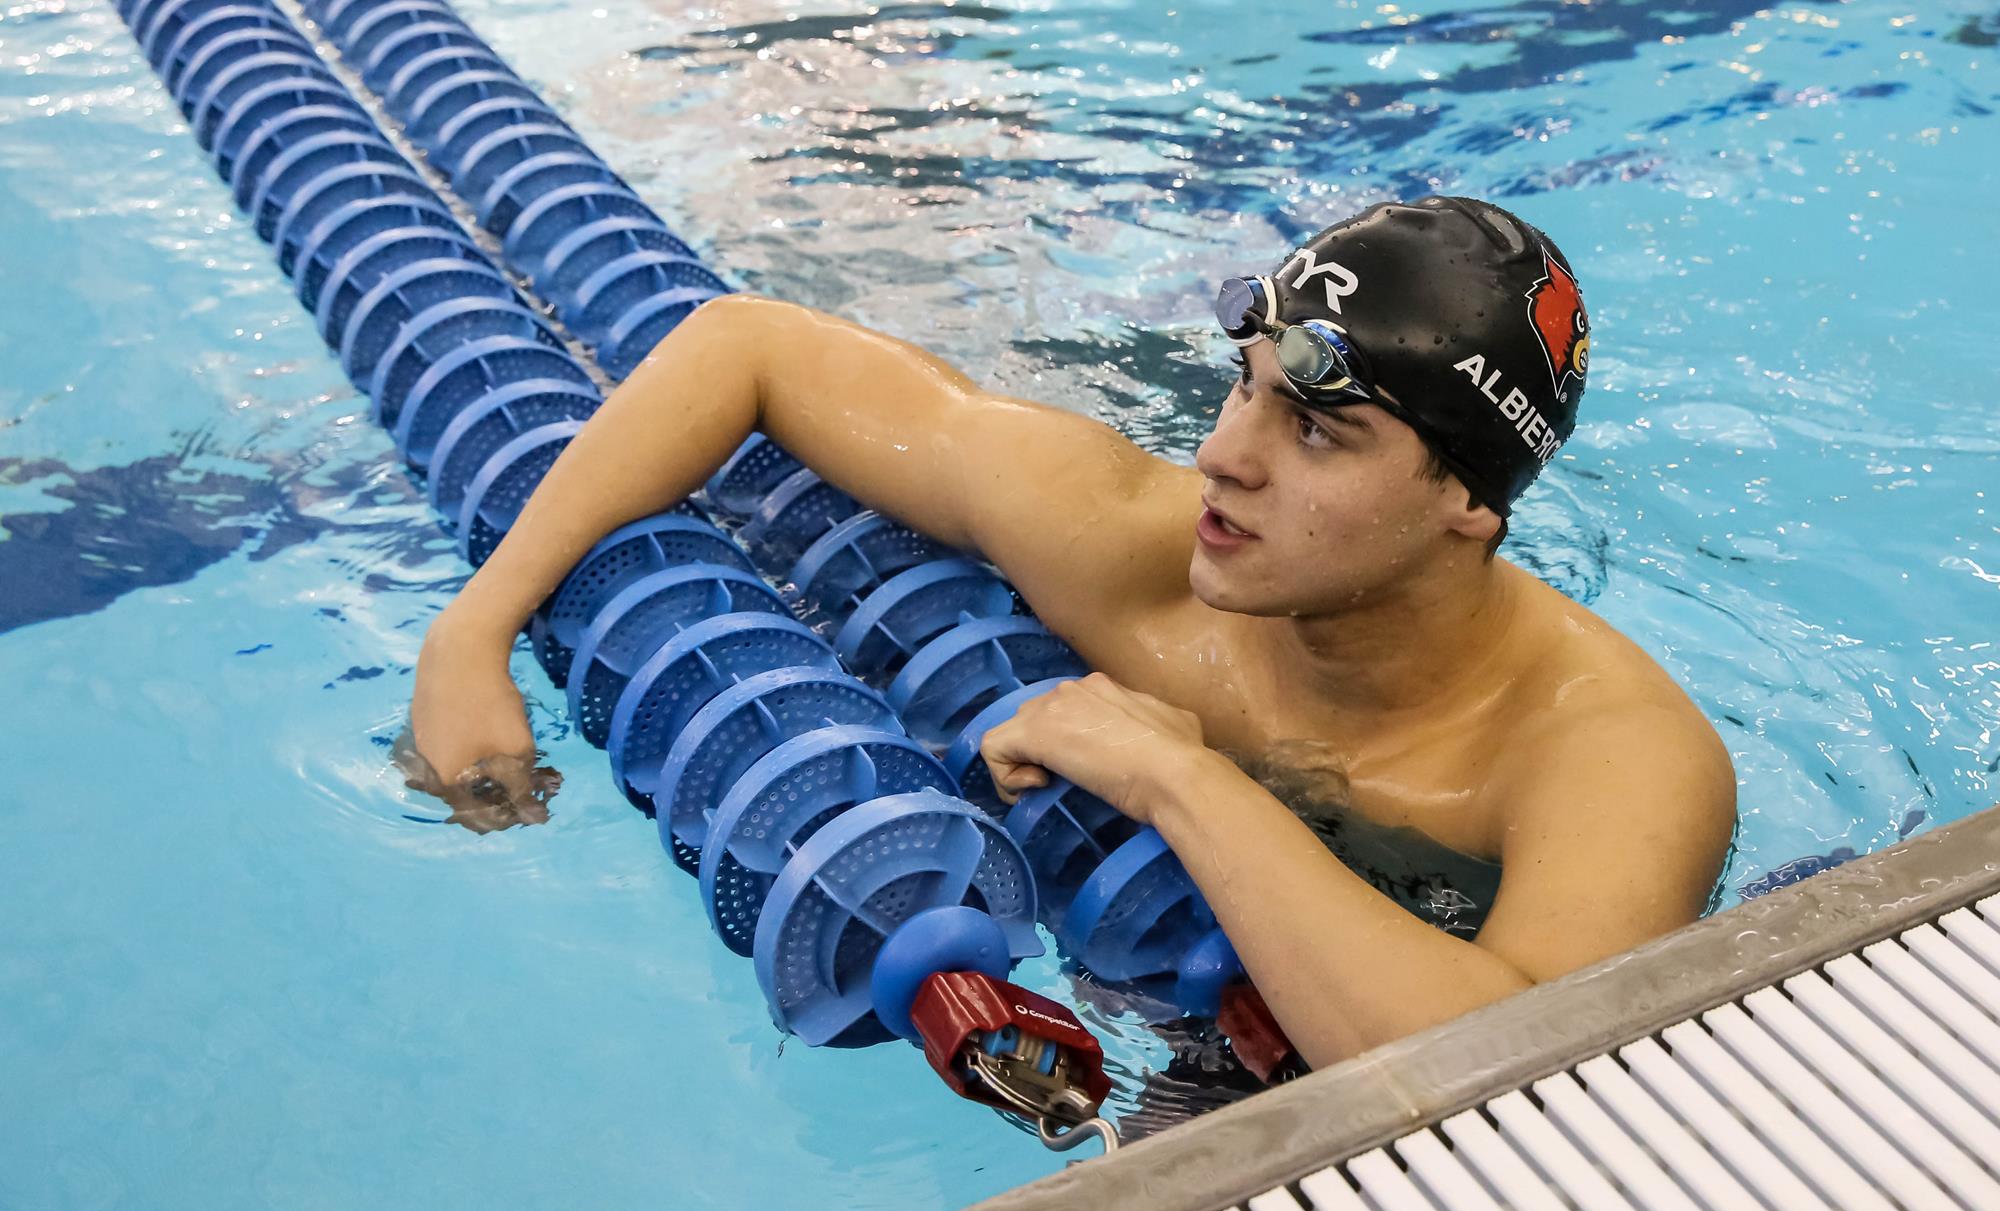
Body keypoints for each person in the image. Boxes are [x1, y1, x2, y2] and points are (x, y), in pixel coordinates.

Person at [403, 196, 1738, 1074]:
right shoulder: (1136, 545)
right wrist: (473, 632)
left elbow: (1514, 1080)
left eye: (1316, 428)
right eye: (1243, 388)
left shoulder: (1612, 758)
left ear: (1466, 500)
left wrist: (1176, 772)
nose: (1220, 457)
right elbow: (747, 347)